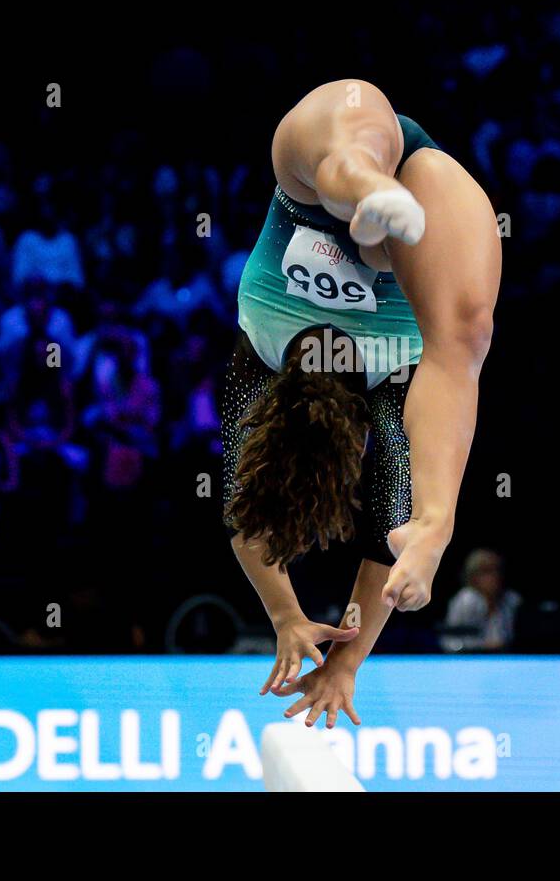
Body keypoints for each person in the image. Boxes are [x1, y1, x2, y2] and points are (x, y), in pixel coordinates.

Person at [221, 80, 500, 727]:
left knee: (466, 337)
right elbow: (246, 521)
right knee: (344, 135)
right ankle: (362, 185)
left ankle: (363, 184)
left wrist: (307, 632)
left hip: (354, 200)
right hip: (395, 218)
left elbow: (364, 539)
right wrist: (296, 624)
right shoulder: (261, 357)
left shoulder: (271, 351)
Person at [442, 548, 522, 652]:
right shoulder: (466, 600)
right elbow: (450, 640)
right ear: (472, 576)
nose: (494, 576)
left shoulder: (511, 600)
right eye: (487, 571)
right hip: (468, 657)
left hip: (504, 657)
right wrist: (482, 646)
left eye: (497, 570)